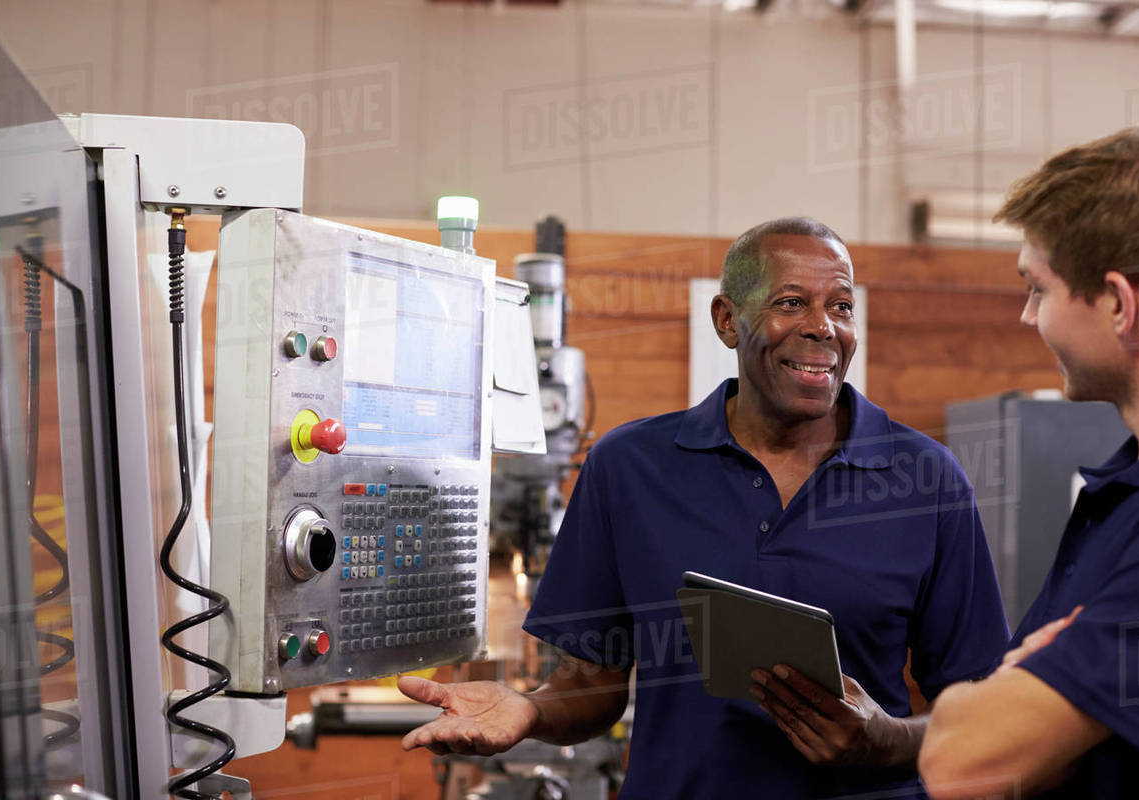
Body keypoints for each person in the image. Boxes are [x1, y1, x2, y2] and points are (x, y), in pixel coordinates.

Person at [400, 217, 1009, 798]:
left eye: (841, 306)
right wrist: (529, 708)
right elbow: (593, 684)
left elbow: (985, 712)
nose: (824, 326)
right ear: (727, 320)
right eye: (791, 302)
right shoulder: (630, 467)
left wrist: (886, 741)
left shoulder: (925, 479)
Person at [919, 126, 1139, 799]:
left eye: (1037, 289)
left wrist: (1004, 698)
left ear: (1119, 305)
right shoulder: (1129, 486)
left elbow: (963, 760)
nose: (1025, 315)